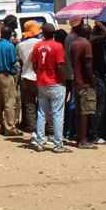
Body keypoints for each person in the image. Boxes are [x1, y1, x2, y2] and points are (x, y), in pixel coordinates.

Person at [31, 22, 70, 153]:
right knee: (57, 114)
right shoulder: (58, 46)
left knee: (41, 113)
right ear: (53, 34)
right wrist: (63, 80)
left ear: (43, 32)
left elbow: (34, 65)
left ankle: (40, 143)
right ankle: (58, 144)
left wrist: (40, 74)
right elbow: (60, 66)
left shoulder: (37, 46)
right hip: (55, 82)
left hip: (42, 83)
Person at [68, 22, 97, 149]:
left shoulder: (74, 44)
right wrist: (92, 80)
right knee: (85, 112)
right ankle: (82, 141)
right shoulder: (86, 44)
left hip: (76, 81)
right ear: (87, 33)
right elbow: (88, 64)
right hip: (85, 82)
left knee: (79, 112)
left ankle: (79, 138)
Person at [0, 19, 20, 136]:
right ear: (10, 35)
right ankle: (10, 127)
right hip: (7, 75)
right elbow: (13, 60)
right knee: (9, 102)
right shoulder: (10, 46)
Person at [17, 21, 42, 132]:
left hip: (25, 76)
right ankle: (42, 128)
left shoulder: (20, 45)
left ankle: (32, 129)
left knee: (29, 105)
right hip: (38, 77)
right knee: (42, 105)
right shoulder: (40, 43)